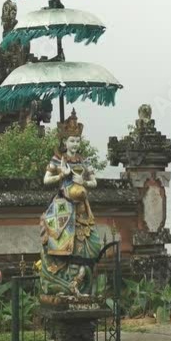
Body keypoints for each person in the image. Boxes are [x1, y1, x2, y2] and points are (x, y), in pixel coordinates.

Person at [38, 111, 103, 295]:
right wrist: (62, 175)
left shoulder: (84, 160)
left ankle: (80, 280)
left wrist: (84, 182)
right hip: (64, 207)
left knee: (90, 244)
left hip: (82, 207)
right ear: (65, 142)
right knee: (63, 244)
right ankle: (66, 281)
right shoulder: (58, 159)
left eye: (77, 141)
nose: (75, 144)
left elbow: (94, 182)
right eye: (72, 141)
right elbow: (46, 180)